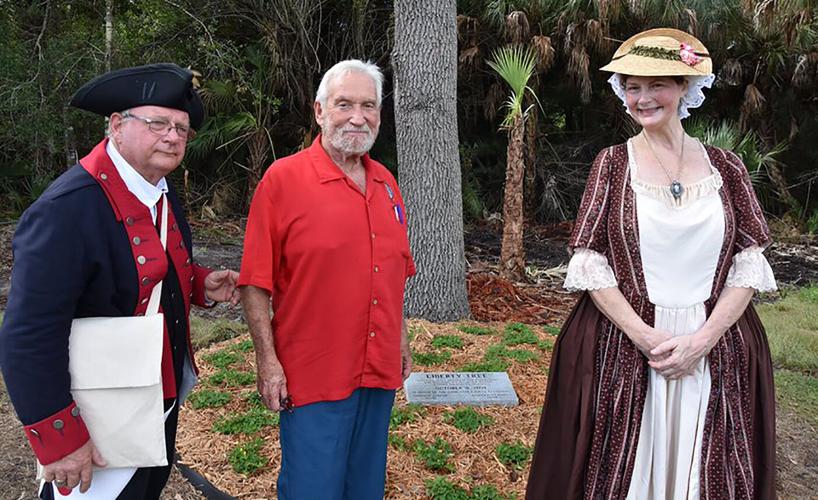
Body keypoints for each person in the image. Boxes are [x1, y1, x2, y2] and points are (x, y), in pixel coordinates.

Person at [525, 29, 777, 499]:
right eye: (632, 86)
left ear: (684, 87)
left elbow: (749, 260)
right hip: (627, 345)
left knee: (711, 469)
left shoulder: (727, 167)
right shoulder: (612, 164)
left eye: (656, 84)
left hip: (715, 344)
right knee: (620, 471)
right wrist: (648, 338)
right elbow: (590, 260)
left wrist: (702, 340)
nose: (643, 98)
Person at [0, 63, 240, 499]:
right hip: (96, 416)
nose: (172, 136)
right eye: (157, 123)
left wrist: (199, 283)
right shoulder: (67, 209)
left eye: (182, 129)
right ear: (115, 126)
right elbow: (28, 334)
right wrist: (61, 440)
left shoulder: (160, 192)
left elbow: (139, 270)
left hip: (154, 402)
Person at [239, 59, 415, 499]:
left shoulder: (387, 184)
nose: (358, 117)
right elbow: (254, 283)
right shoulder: (283, 181)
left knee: (365, 486)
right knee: (311, 488)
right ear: (319, 111)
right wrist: (267, 361)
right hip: (313, 374)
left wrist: (401, 341)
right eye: (345, 105)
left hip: (377, 372)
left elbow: (395, 276)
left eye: (369, 106)